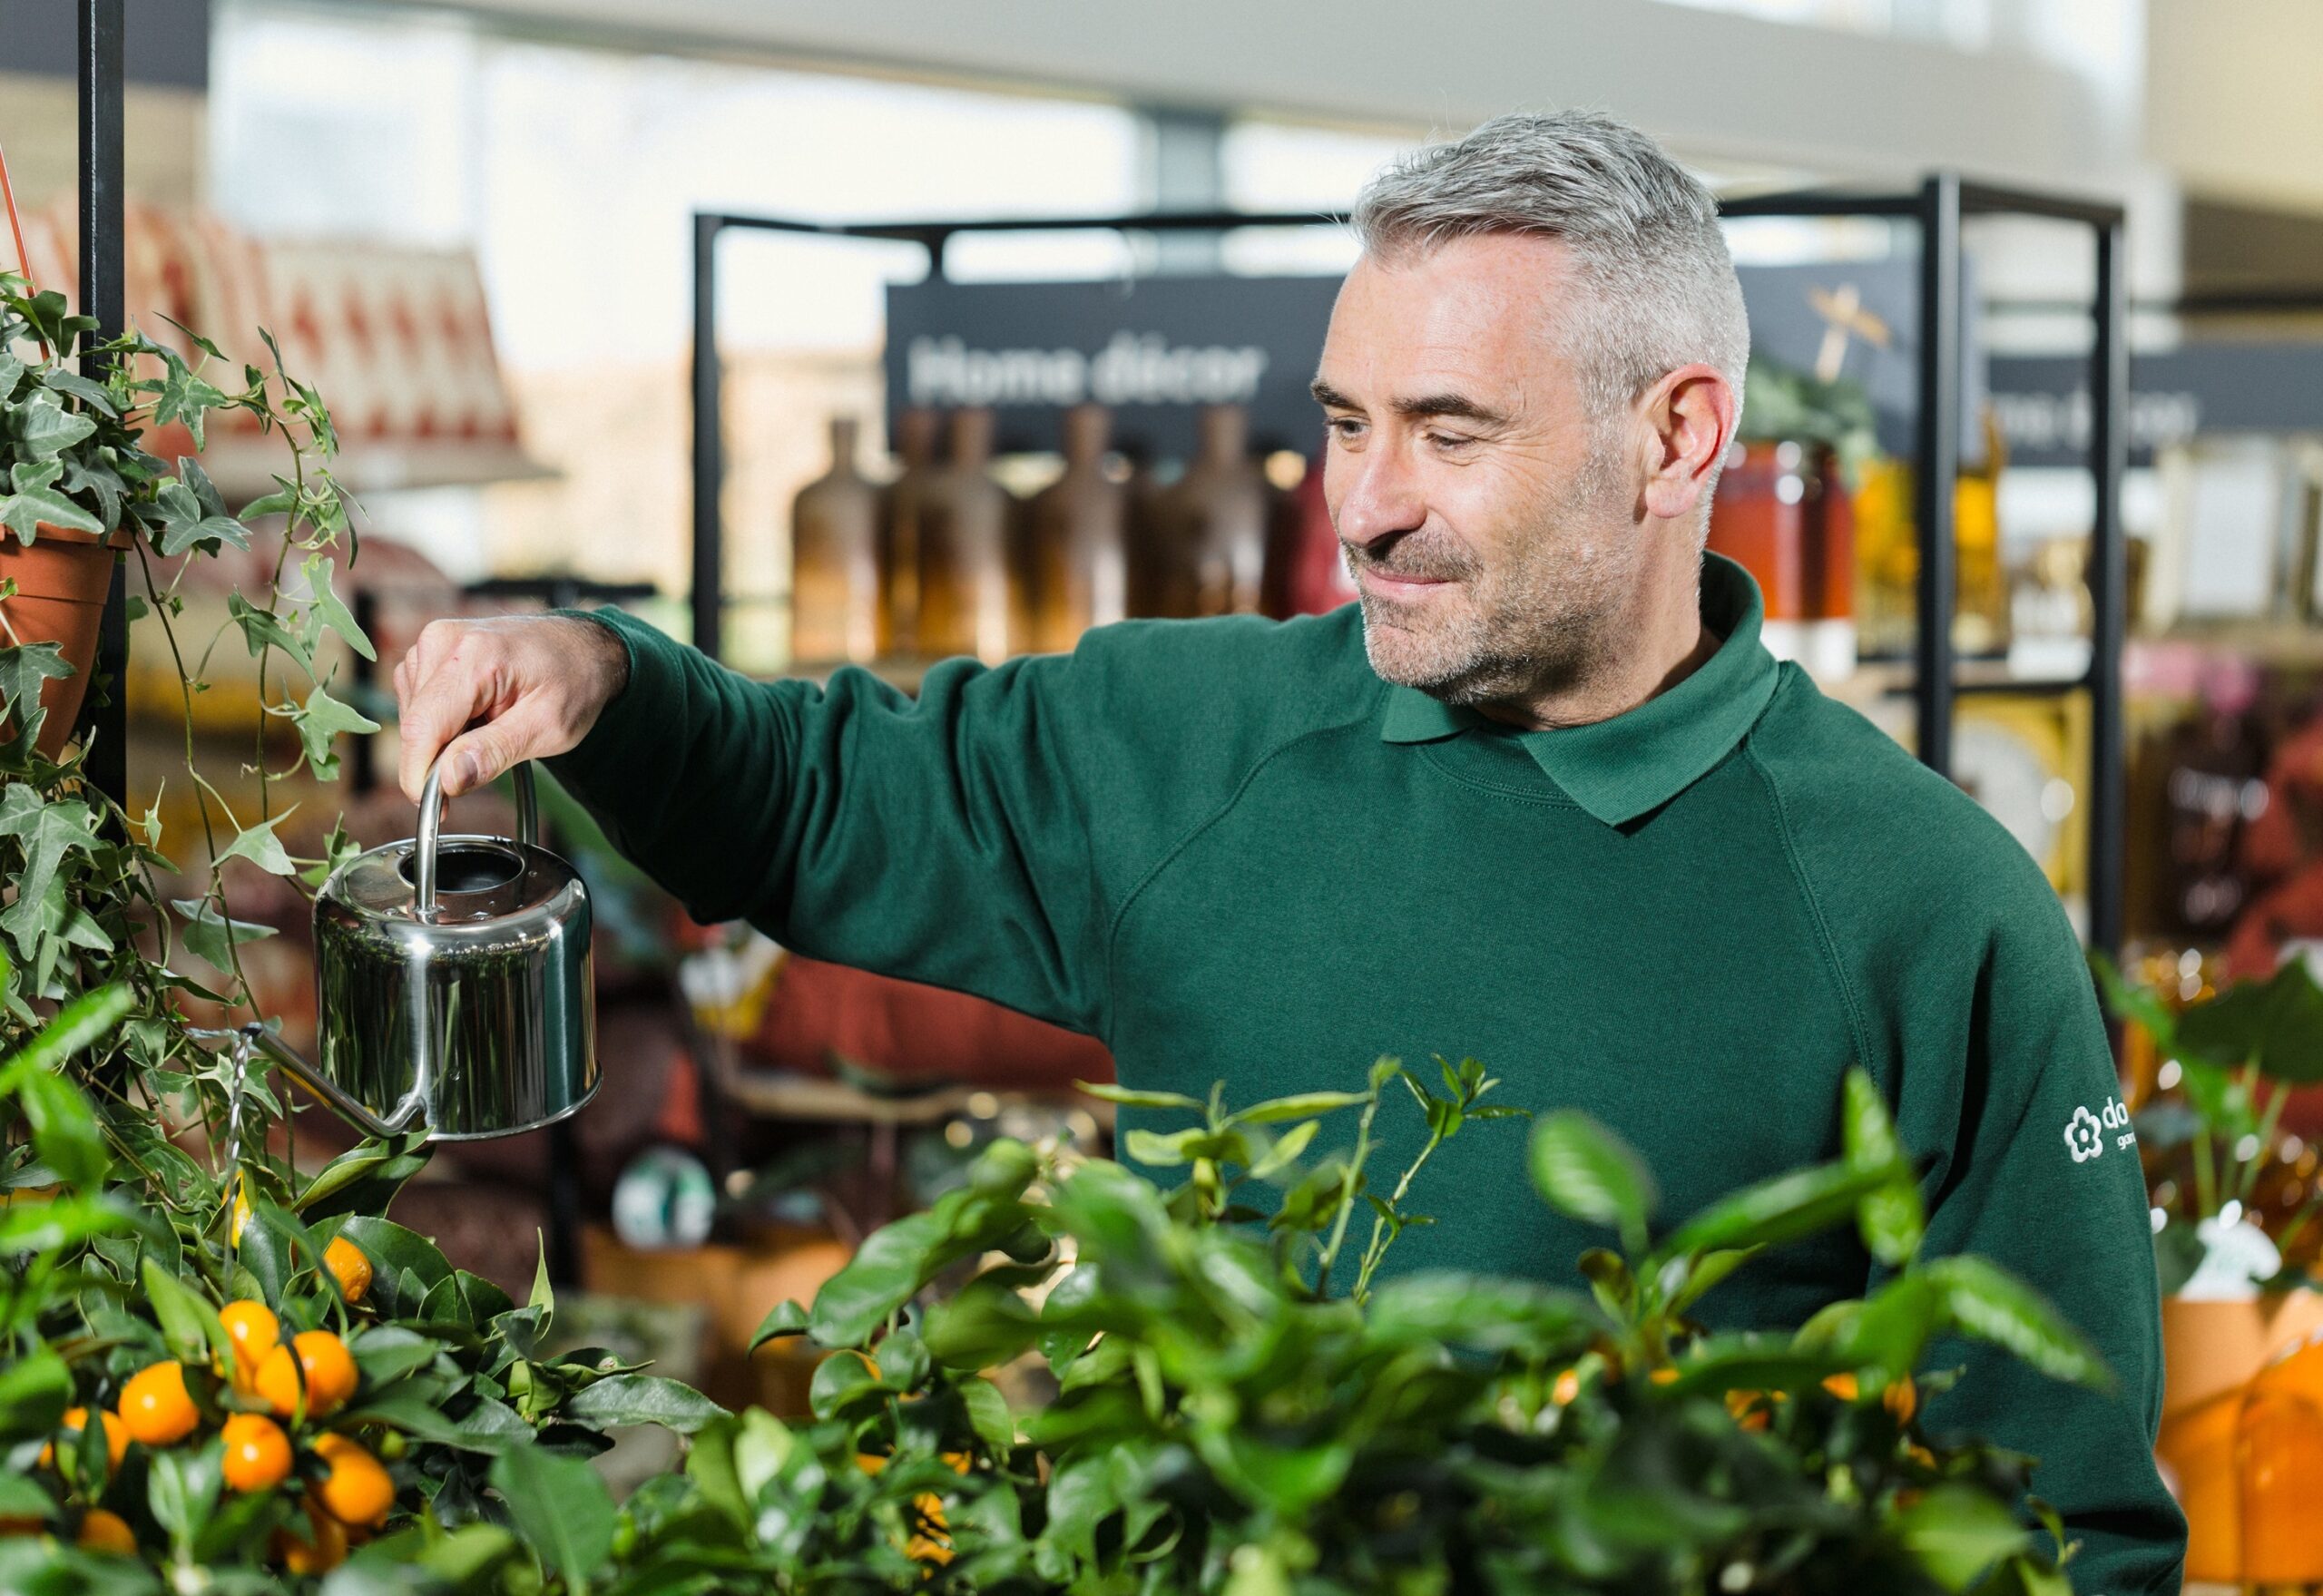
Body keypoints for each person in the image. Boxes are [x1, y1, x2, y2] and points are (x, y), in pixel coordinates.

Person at [394, 112, 2183, 1591]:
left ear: (1676, 435)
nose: (1366, 502)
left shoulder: (1926, 909)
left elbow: (2062, 1525)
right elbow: (809, 794)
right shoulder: (1180, 747)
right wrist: (606, 678)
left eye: (1447, 432)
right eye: (1343, 421)